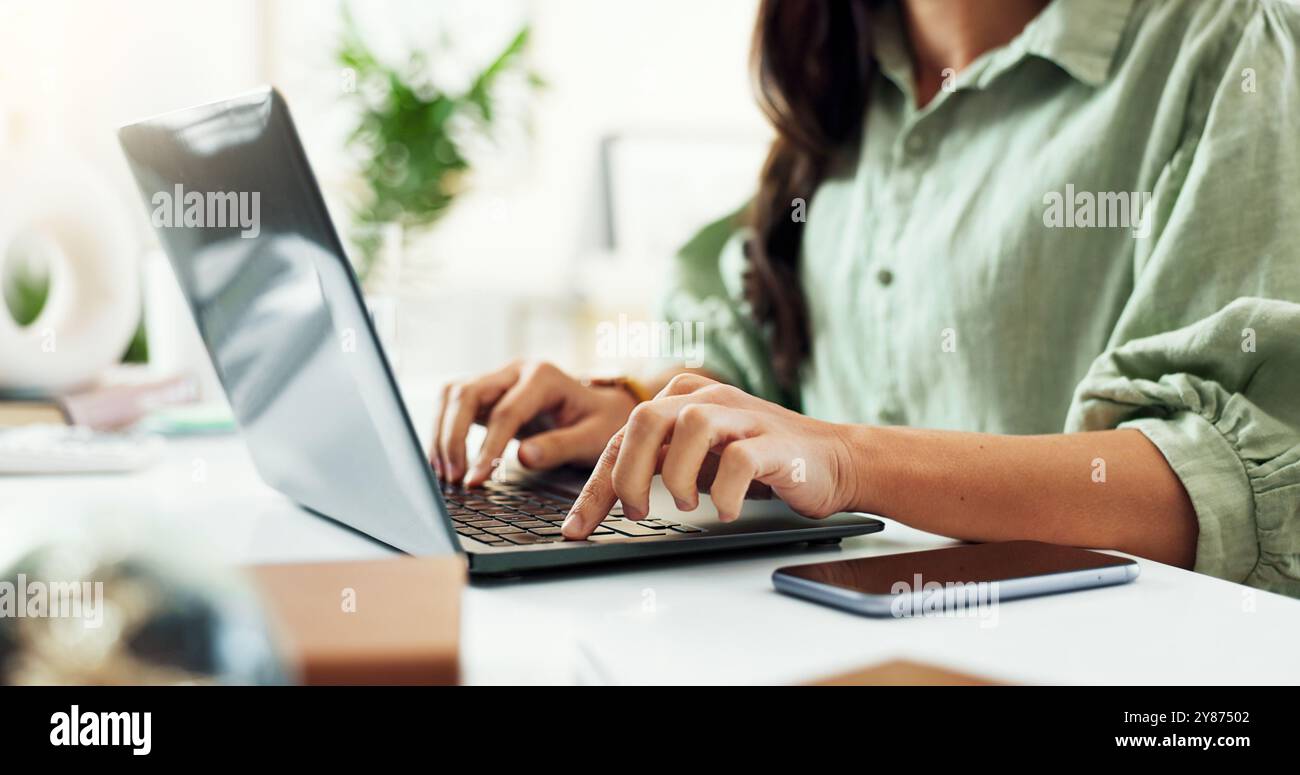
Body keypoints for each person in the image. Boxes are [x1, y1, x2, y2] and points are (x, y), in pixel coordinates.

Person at [432, 0, 1300, 597]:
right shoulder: (847, 69)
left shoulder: (1229, 42)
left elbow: (1236, 481)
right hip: (836, 638)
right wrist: (627, 407)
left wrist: (846, 459)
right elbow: (764, 370)